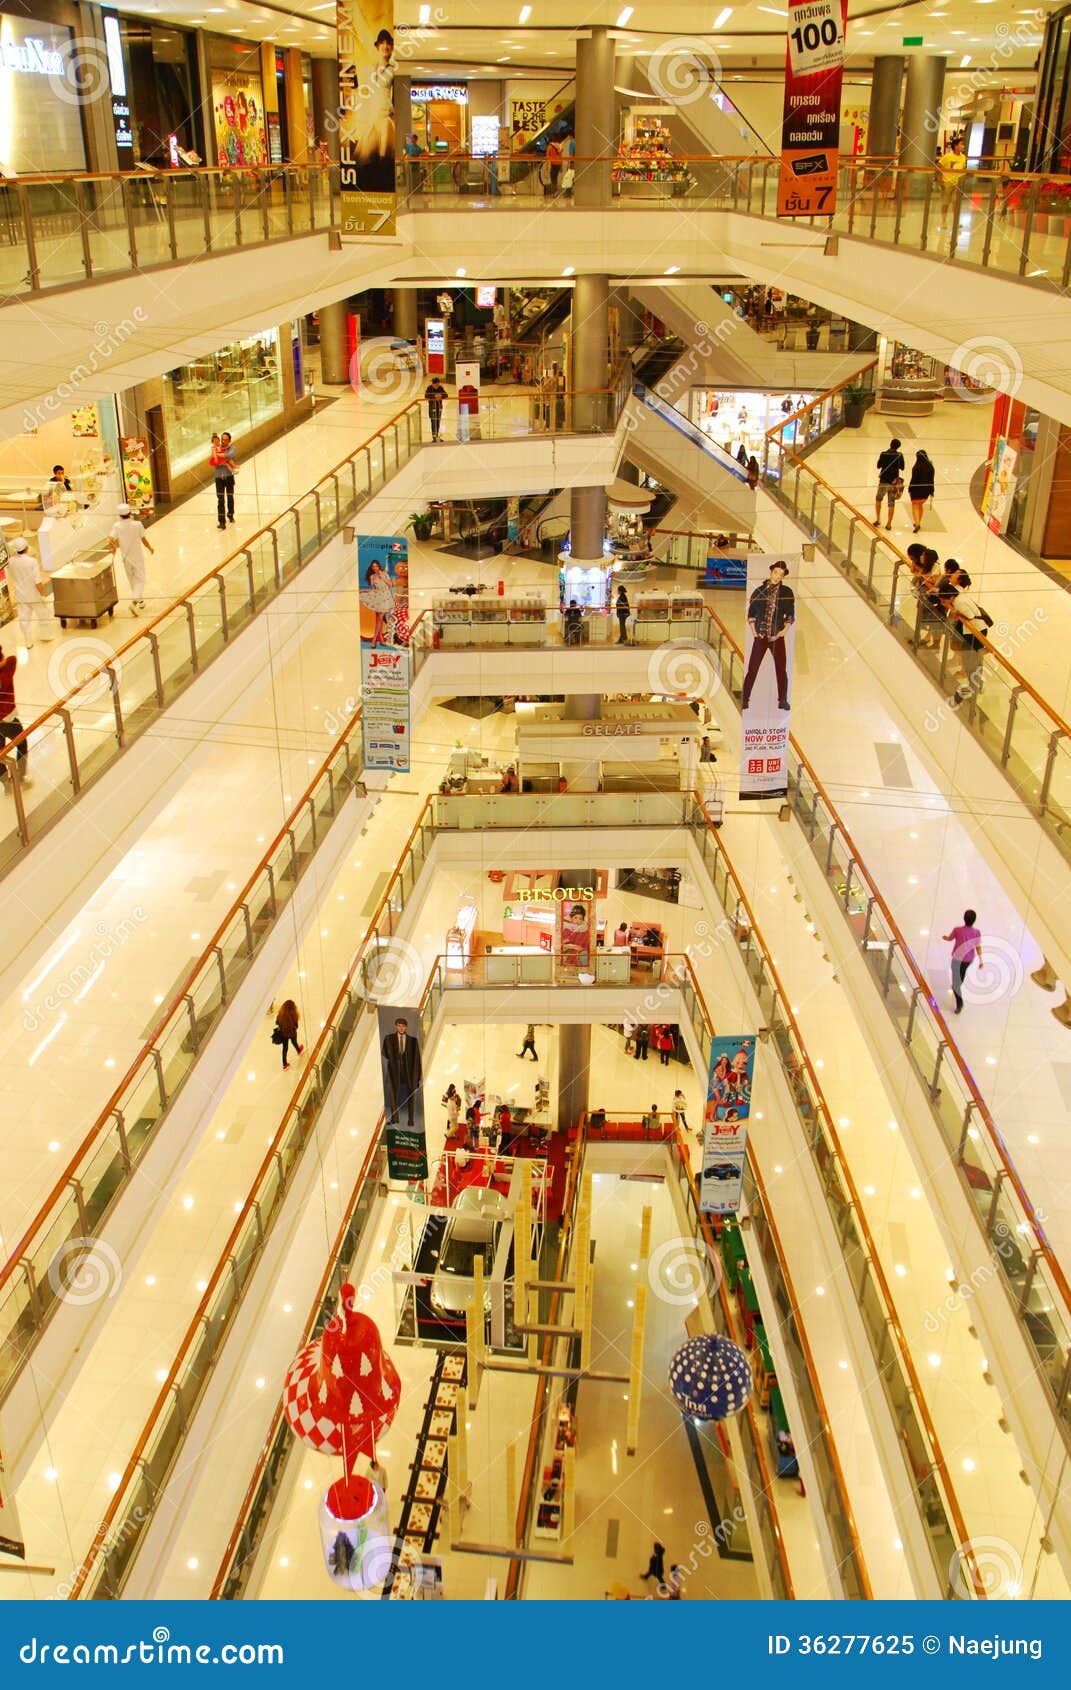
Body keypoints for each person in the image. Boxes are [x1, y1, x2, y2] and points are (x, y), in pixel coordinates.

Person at [740, 560, 794, 713]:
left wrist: (784, 631)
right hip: (761, 636)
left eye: (781, 574)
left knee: (781, 669)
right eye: (776, 572)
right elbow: (751, 613)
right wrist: (754, 632)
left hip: (776, 637)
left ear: (783, 577)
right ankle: (745, 699)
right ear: (771, 572)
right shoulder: (759, 591)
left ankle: (782, 700)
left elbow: (791, 613)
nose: (777, 576)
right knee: (752, 668)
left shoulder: (787, 592)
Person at [6, 536, 53, 649]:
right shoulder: (32, 561)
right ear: (26, 548)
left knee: (24, 619)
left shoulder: (11, 562)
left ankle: (28, 642)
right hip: (34, 594)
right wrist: (42, 594)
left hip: (20, 595)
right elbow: (37, 581)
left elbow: (12, 576)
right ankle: (45, 635)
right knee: (43, 614)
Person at [108, 503, 155, 614]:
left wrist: (113, 548)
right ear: (130, 514)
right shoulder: (137, 524)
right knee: (140, 579)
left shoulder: (117, 526)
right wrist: (150, 548)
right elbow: (143, 539)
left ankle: (140, 601)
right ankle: (134, 602)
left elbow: (110, 538)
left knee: (132, 580)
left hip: (126, 558)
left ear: (120, 515)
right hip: (137, 557)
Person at [0, 641, 30, 787]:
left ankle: (6, 783)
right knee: (22, 743)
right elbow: (13, 658)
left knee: (0, 753)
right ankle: (20, 777)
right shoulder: (6, 671)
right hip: (8, 719)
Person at [382, 1015, 422, 1125]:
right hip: (394, 1072)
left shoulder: (413, 1041)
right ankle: (395, 1119)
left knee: (411, 1096)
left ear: (406, 1027)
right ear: (396, 1026)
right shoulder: (389, 1039)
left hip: (409, 1073)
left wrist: (418, 1077)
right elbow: (384, 1053)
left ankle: (411, 1120)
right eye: (399, 1025)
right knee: (393, 1096)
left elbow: (417, 1059)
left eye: (403, 1026)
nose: (401, 1028)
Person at [943, 909, 983, 1014]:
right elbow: (978, 947)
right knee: (961, 975)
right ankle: (957, 984)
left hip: (957, 959)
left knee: (956, 982)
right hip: (968, 960)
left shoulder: (957, 930)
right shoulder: (977, 932)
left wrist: (945, 938)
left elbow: (950, 938)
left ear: (964, 918)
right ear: (974, 920)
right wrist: (981, 960)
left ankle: (959, 1003)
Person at [360, 557, 399, 646]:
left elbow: (390, 585)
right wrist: (366, 591)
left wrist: (383, 577)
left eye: (376, 566)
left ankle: (374, 640)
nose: (375, 568)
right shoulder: (372, 576)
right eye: (373, 566)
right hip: (378, 596)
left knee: (380, 618)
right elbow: (374, 589)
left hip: (386, 596)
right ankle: (381, 640)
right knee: (378, 619)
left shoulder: (384, 573)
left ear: (379, 566)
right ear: (371, 567)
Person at [875, 438, 905, 530]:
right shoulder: (899, 455)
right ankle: (888, 524)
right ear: (898, 447)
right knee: (891, 504)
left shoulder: (884, 454)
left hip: (883, 481)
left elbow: (878, 466)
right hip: (894, 482)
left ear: (890, 444)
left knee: (878, 499)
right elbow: (902, 467)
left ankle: (878, 519)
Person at [937, 134, 966, 219]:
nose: (963, 146)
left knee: (956, 202)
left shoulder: (963, 157)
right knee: (945, 203)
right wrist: (940, 180)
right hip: (947, 183)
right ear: (956, 146)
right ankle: (943, 220)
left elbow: (963, 169)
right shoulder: (947, 156)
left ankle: (955, 221)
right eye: (961, 144)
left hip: (957, 183)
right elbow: (938, 166)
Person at [212, 431, 236, 529]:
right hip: (219, 478)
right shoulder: (216, 448)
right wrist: (217, 455)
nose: (223, 441)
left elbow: (229, 455)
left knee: (230, 497)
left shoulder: (232, 448)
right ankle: (222, 522)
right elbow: (213, 460)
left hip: (229, 476)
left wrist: (217, 455)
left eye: (225, 440)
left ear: (229, 440)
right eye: (222, 439)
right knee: (220, 500)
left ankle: (230, 515)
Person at [907, 450, 935, 533]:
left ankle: (917, 523)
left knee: (915, 506)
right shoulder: (931, 467)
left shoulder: (916, 467)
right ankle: (918, 522)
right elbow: (931, 480)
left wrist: (910, 489)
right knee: (920, 505)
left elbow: (913, 479)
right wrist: (932, 491)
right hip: (926, 491)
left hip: (916, 490)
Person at [273, 999, 303, 1069]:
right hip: (292, 1033)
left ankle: (285, 1064)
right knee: (294, 1042)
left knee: (285, 1048)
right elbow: (296, 1026)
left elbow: (277, 1022)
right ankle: (298, 1050)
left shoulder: (280, 1015)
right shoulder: (294, 1016)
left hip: (283, 1034)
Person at [425, 375, 447, 442]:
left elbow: (446, 395)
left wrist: (441, 395)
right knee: (433, 422)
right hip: (432, 408)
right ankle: (434, 436)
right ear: (433, 384)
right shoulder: (429, 388)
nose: (437, 385)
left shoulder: (440, 387)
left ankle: (436, 436)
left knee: (437, 422)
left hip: (439, 407)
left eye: (438, 384)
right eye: (436, 384)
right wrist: (434, 396)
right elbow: (426, 395)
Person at [457, 377, 479, 442]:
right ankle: (473, 436)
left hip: (464, 410)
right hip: (473, 411)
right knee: (472, 424)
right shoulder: (475, 391)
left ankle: (464, 436)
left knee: (464, 424)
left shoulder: (461, 391)